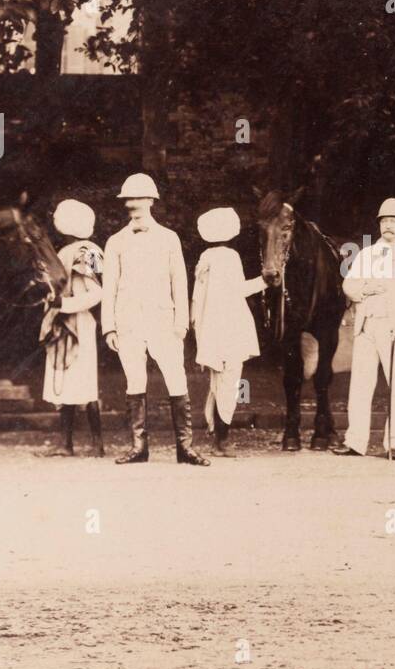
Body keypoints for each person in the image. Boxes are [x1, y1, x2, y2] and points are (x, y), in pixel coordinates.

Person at [101, 172, 208, 467]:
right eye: (128, 199)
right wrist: (109, 325)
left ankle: (185, 448)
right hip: (128, 322)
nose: (133, 203)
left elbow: (179, 282)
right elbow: (108, 286)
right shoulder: (115, 242)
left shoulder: (168, 238)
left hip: (163, 320)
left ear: (151, 200)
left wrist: (181, 323)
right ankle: (139, 448)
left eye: (138, 198)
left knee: (176, 379)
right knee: (135, 380)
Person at [332, 198, 395, 460]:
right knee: (361, 385)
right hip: (367, 326)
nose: (389, 226)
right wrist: (365, 290)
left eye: (394, 221)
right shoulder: (366, 254)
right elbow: (348, 286)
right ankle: (355, 441)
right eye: (385, 221)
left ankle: (394, 444)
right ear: (379, 225)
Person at [191, 206, 272, 457]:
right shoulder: (229, 257)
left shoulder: (205, 257)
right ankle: (221, 439)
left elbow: (198, 298)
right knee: (230, 383)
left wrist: (199, 330)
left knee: (219, 382)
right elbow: (238, 290)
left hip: (211, 326)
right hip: (229, 326)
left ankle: (216, 432)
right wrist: (264, 281)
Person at [37, 199, 105, 457]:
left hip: (79, 324)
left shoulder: (87, 251)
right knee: (65, 380)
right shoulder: (66, 251)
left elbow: (97, 293)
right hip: (63, 325)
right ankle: (66, 444)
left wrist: (63, 304)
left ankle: (97, 445)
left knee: (85, 381)